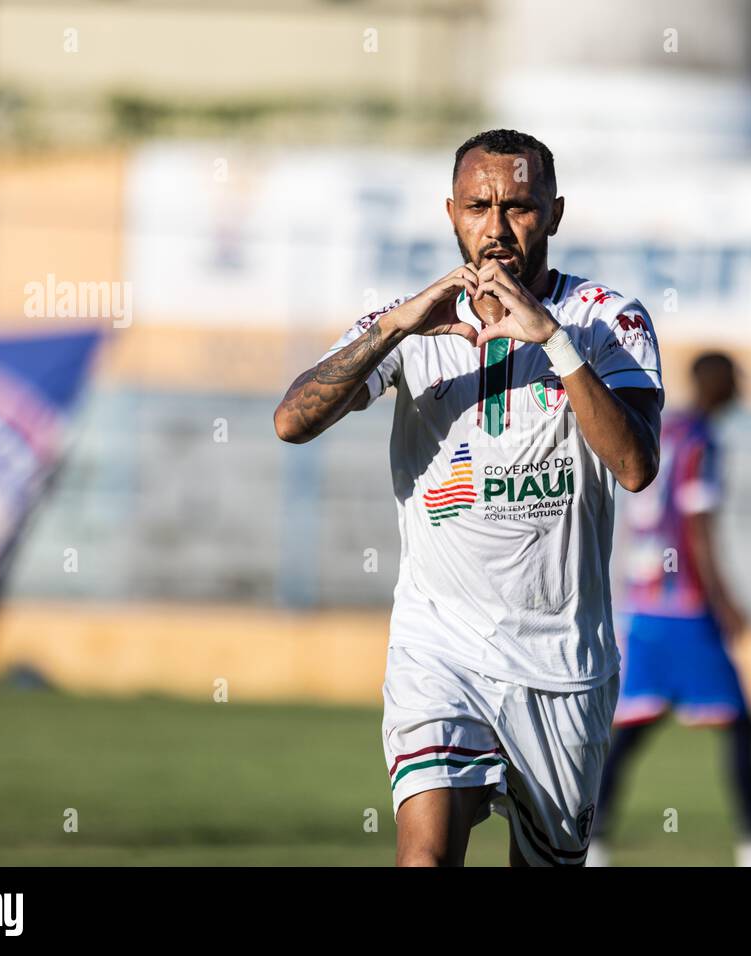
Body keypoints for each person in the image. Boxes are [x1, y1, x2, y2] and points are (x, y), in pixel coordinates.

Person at [274, 129, 664, 866]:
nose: (497, 227)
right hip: (440, 647)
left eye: (518, 206)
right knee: (424, 858)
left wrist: (554, 342)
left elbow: (635, 464)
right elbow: (291, 421)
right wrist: (392, 328)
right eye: (479, 206)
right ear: (451, 211)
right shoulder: (415, 325)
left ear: (553, 213)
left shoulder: (609, 320)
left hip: (564, 666)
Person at [587, 352, 751, 867]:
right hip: (684, 605)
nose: (742, 386)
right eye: (736, 378)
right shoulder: (702, 441)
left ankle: (594, 840)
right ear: (716, 383)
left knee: (633, 726)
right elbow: (698, 529)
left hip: (644, 599)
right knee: (739, 725)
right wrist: (724, 600)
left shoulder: (666, 428)